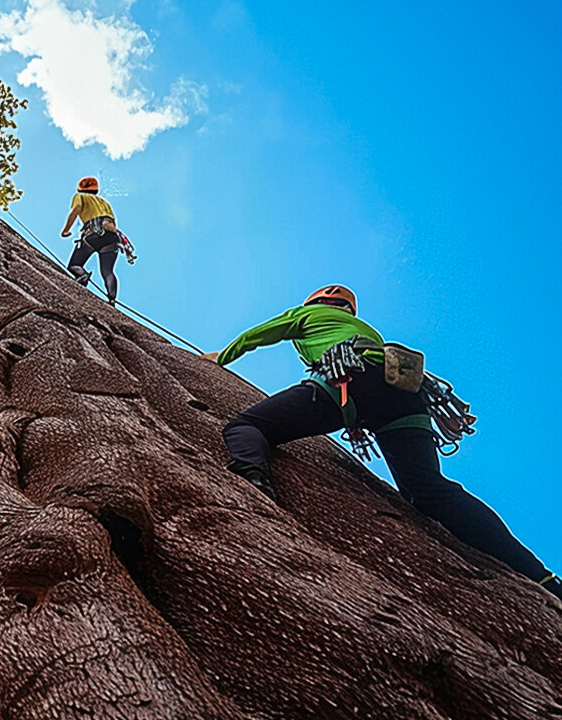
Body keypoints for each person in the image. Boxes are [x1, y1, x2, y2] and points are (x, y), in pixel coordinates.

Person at [202, 285, 561, 600]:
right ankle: (540, 577)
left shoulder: (306, 314)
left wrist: (222, 356)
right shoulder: (364, 328)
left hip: (349, 381)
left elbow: (259, 334)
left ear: (316, 301)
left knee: (245, 425)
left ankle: (252, 485)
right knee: (430, 491)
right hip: (403, 393)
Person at [60, 176, 128, 305]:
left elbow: (75, 210)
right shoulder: (105, 203)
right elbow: (112, 221)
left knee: (74, 265)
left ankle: (82, 275)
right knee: (107, 271)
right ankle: (112, 299)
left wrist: (66, 230)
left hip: (93, 235)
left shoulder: (80, 196)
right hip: (111, 238)